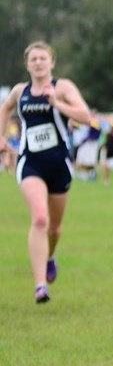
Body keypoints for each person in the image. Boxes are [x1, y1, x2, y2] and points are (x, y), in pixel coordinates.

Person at [0, 41, 93, 303]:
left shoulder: (63, 87)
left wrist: (57, 104)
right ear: (27, 64)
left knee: (54, 227)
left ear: (52, 62)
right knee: (40, 218)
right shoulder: (20, 92)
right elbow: (5, 108)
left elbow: (85, 116)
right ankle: (40, 285)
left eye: (43, 58)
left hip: (59, 164)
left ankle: (50, 256)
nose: (38, 63)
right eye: (33, 59)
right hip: (30, 163)